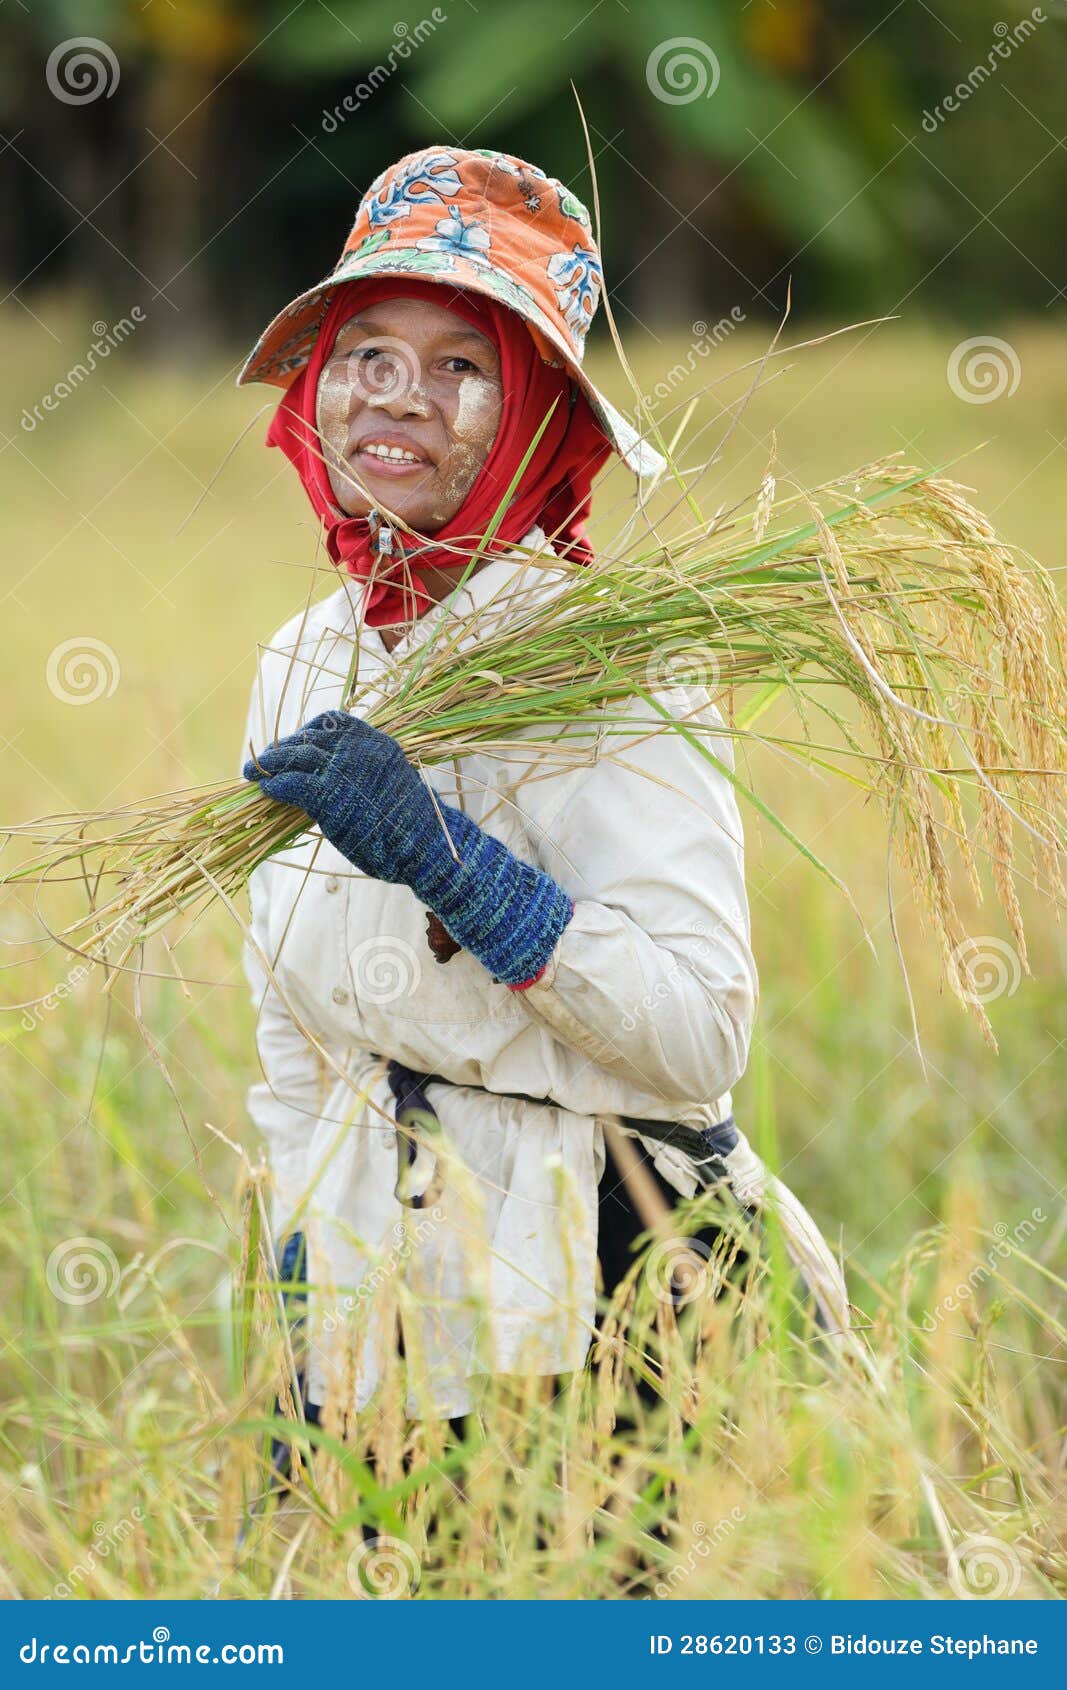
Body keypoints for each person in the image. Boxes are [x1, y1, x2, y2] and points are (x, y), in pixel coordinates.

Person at [237, 147, 761, 1434]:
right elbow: (296, 1038)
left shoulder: (613, 659)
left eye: (461, 365)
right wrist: (303, 1267)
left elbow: (700, 1034)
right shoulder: (304, 659)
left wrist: (454, 870)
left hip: (606, 1275)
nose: (397, 399)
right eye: (366, 353)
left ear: (533, 414)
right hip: (374, 1275)